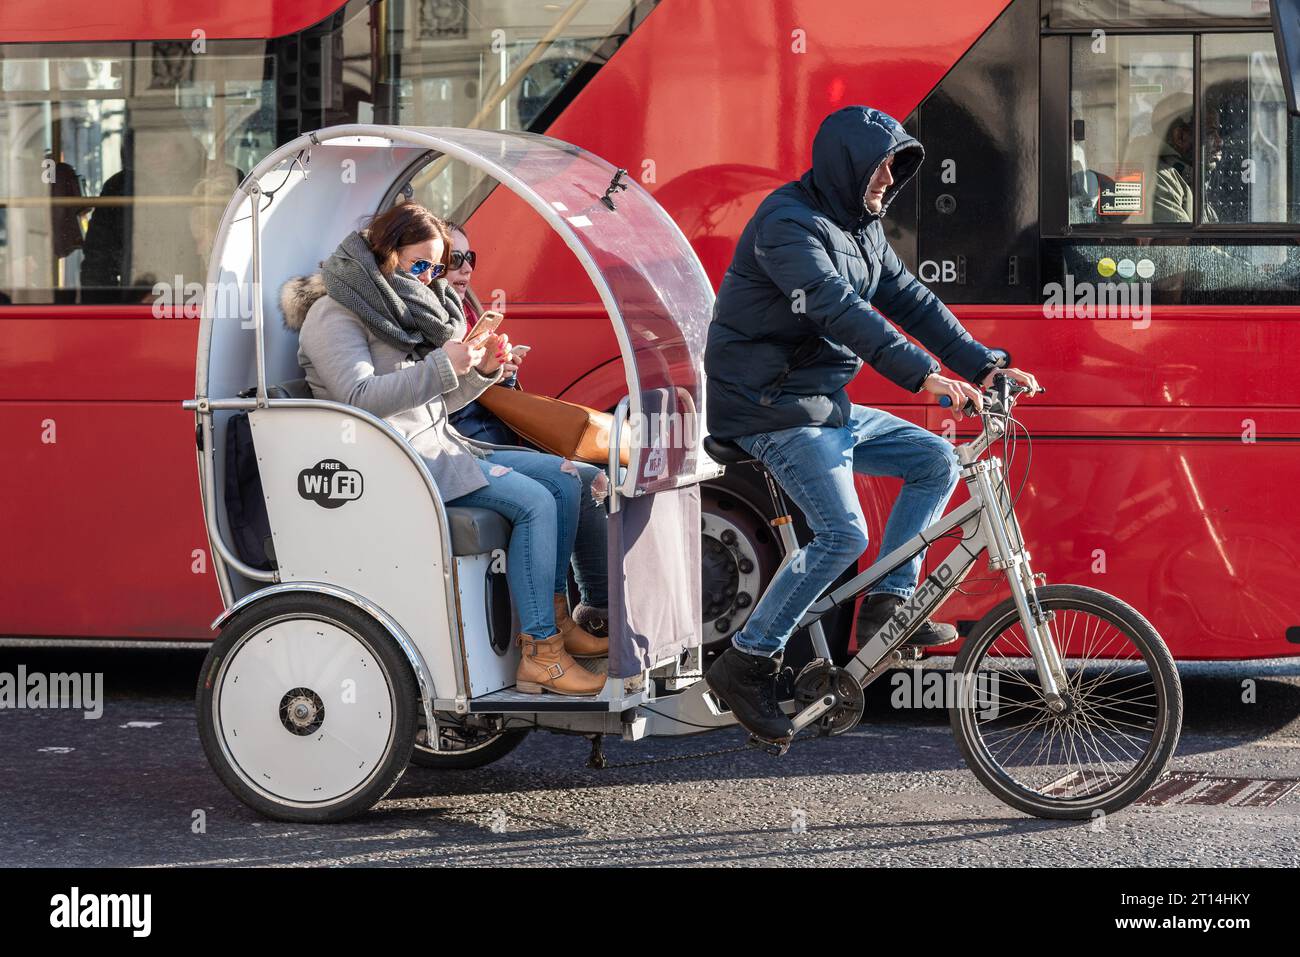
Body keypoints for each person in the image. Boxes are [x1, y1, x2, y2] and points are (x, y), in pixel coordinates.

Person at [702, 106, 1040, 742]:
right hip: (767, 406)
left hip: (822, 402)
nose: (890, 181)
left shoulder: (858, 225)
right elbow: (838, 308)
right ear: (848, 165)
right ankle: (747, 659)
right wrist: (922, 376)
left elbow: (912, 298)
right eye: (882, 168)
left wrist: (985, 366)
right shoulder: (787, 225)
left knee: (934, 461)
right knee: (842, 535)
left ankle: (887, 603)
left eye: (895, 169)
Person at [281, 202, 606, 695]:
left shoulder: (401, 305)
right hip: (393, 462)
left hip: (437, 445)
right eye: (421, 265)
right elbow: (360, 400)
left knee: (568, 478)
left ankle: (555, 623)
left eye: (437, 268)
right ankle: (542, 652)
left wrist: (482, 370)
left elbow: (438, 398)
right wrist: (445, 365)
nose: (430, 278)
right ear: (385, 253)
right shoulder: (334, 313)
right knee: (536, 500)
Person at [443, 221, 612, 637]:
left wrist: (500, 373)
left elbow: (471, 395)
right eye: (454, 260)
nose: (466, 270)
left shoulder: (463, 312)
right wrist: (478, 370)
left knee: (590, 478)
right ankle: (546, 636)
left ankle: (595, 613)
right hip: (461, 446)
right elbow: (429, 402)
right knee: (559, 485)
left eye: (470, 259)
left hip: (484, 438)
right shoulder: (431, 320)